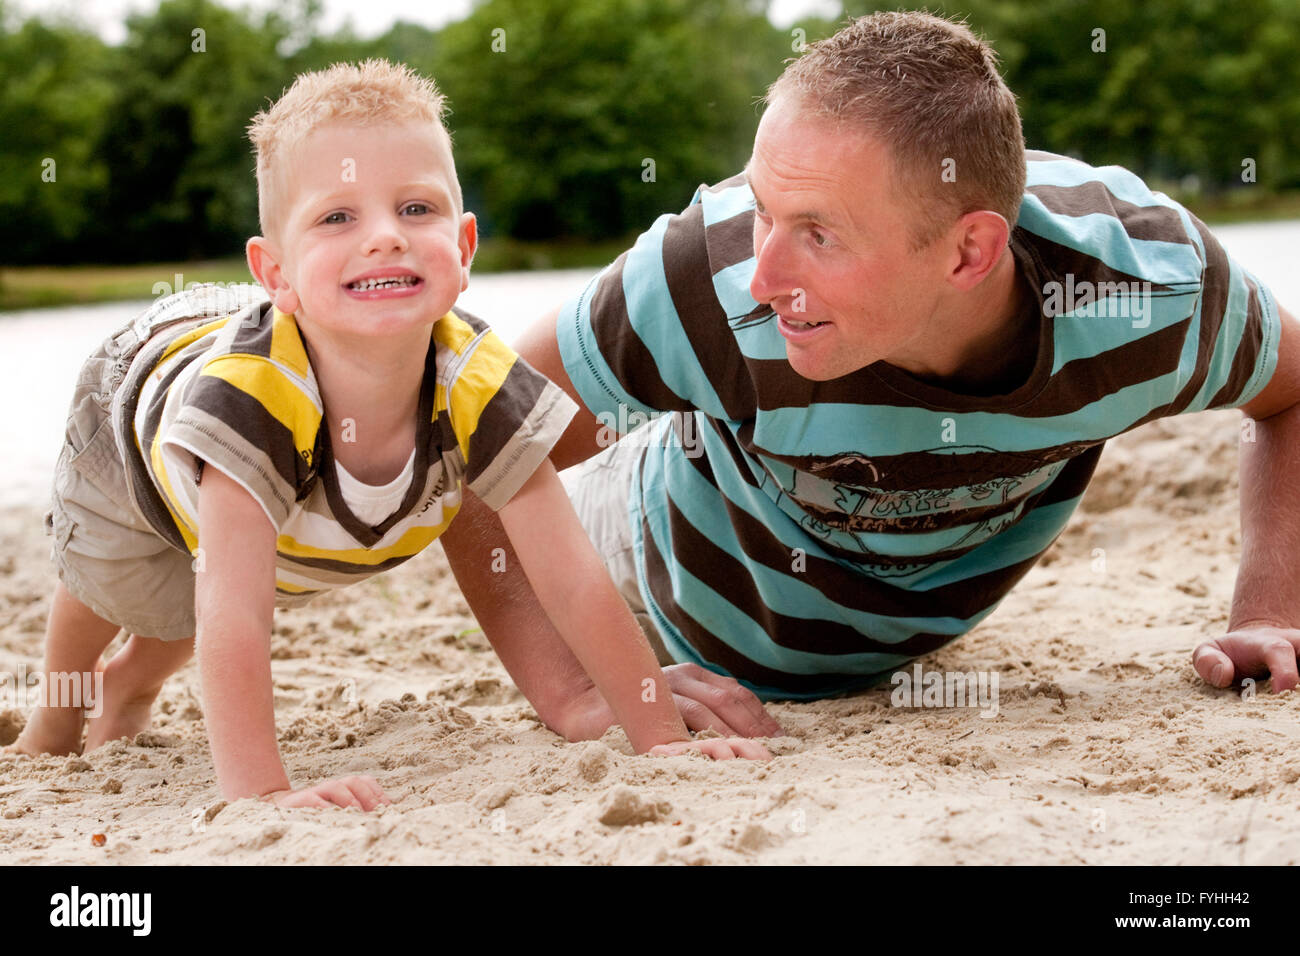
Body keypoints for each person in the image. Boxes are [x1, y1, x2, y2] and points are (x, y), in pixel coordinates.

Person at [439, 11, 1300, 741]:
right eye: (765, 210)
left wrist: (1270, 610)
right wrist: (575, 693)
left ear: (970, 251)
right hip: (645, 521)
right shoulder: (701, 275)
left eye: (819, 233)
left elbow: (1291, 394)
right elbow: (472, 444)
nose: (763, 275)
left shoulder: (1145, 289)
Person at [4, 59, 768, 809]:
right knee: (116, 580)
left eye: (416, 208)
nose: (385, 238)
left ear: (464, 248)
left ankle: (130, 684)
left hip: (257, 484)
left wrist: (657, 736)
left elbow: (568, 574)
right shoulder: (252, 401)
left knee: (182, 599)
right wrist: (263, 793)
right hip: (134, 409)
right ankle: (59, 714)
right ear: (275, 272)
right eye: (338, 216)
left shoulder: (477, 379)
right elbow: (235, 612)